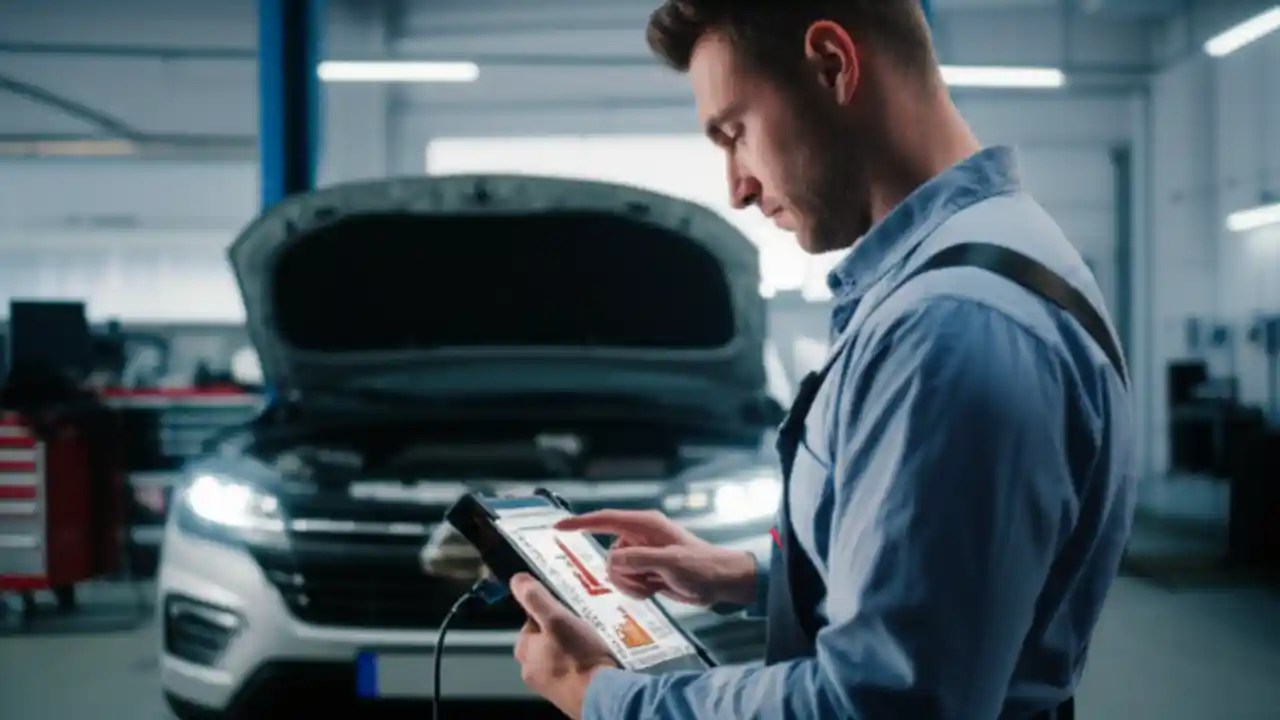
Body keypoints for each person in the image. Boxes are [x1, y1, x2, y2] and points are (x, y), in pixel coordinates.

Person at [506, 1, 1137, 718]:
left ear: (832, 65)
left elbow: (877, 704)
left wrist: (604, 695)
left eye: (735, 132)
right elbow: (957, 581)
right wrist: (751, 576)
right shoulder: (990, 256)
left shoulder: (949, 327)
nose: (736, 188)